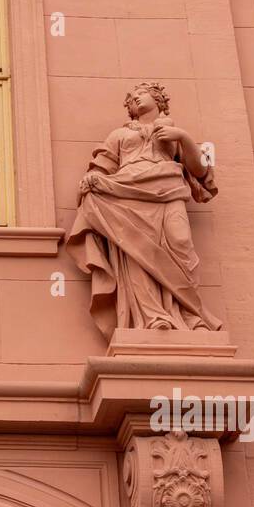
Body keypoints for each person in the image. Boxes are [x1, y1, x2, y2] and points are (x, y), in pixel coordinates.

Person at [66, 81, 222, 337]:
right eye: (131, 98)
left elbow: (200, 172)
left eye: (141, 94)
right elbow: (102, 166)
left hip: (169, 190)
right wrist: (92, 179)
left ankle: (190, 315)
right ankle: (153, 316)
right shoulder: (119, 134)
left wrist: (182, 137)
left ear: (158, 98)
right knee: (136, 252)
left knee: (181, 244)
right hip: (127, 194)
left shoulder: (173, 132)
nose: (136, 99)